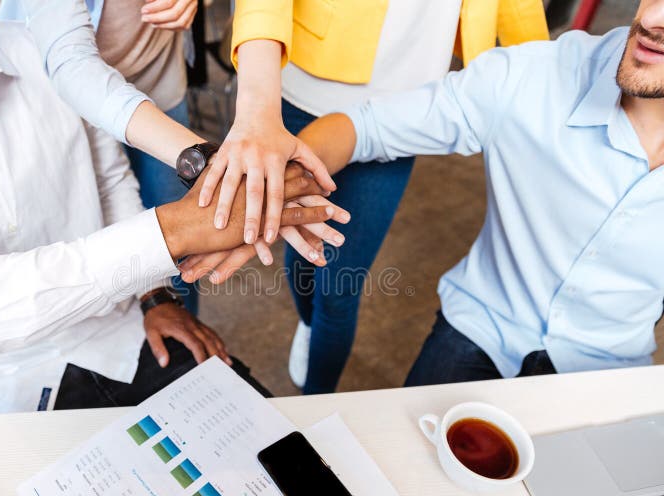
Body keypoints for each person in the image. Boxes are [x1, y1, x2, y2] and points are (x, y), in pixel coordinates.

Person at [0, 0, 345, 414]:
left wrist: (154, 295)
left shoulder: (32, 46)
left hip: (123, 334)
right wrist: (173, 231)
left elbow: (108, 176)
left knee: (285, 475)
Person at [275, 0, 664, 385]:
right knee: (323, 278)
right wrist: (271, 192)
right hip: (483, 327)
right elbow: (367, 126)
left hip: (612, 366)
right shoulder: (537, 75)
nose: (649, 18)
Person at [202, 0, 549, 394]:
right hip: (305, 81)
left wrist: (536, 73)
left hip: (406, 99)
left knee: (339, 286)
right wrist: (255, 105)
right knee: (300, 256)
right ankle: (309, 322)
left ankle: (317, 398)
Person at [0, 0, 202, 314]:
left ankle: (182, 338)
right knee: (93, 241)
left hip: (158, 76)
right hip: (62, 92)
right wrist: (200, 156)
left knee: (186, 243)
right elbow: (73, 65)